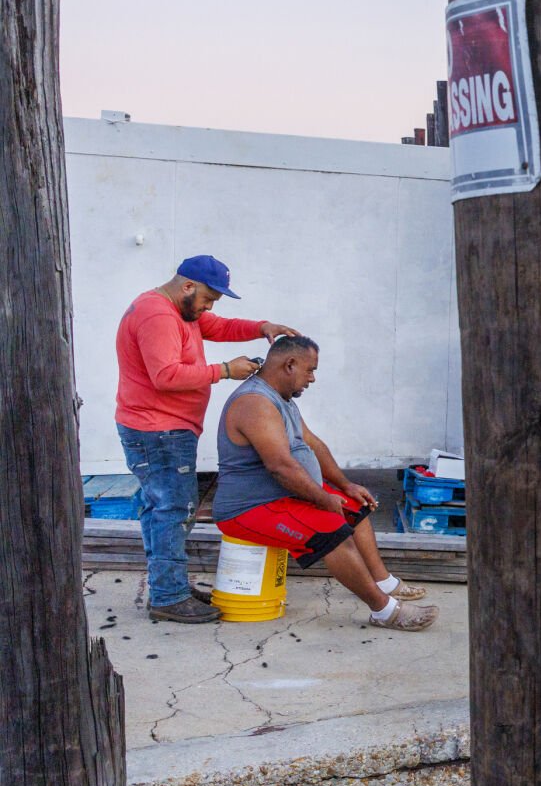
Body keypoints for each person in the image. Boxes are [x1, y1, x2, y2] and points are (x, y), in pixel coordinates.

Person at [116, 255, 300, 624]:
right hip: (158, 431)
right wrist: (225, 371)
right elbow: (165, 376)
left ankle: (169, 587)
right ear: (188, 286)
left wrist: (262, 326)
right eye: (208, 298)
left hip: (163, 428)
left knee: (161, 510)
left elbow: (217, 326)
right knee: (173, 511)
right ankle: (169, 596)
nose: (208, 308)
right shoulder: (158, 316)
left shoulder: (180, 310)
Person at [212, 336, 437, 631]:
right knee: (330, 532)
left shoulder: (281, 398)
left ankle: (385, 582)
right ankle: (385, 611)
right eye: (310, 370)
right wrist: (320, 497)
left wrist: (344, 484)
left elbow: (312, 443)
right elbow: (280, 467)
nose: (313, 378)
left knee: (355, 504)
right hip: (249, 507)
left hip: (281, 495)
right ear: (289, 364)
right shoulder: (254, 403)